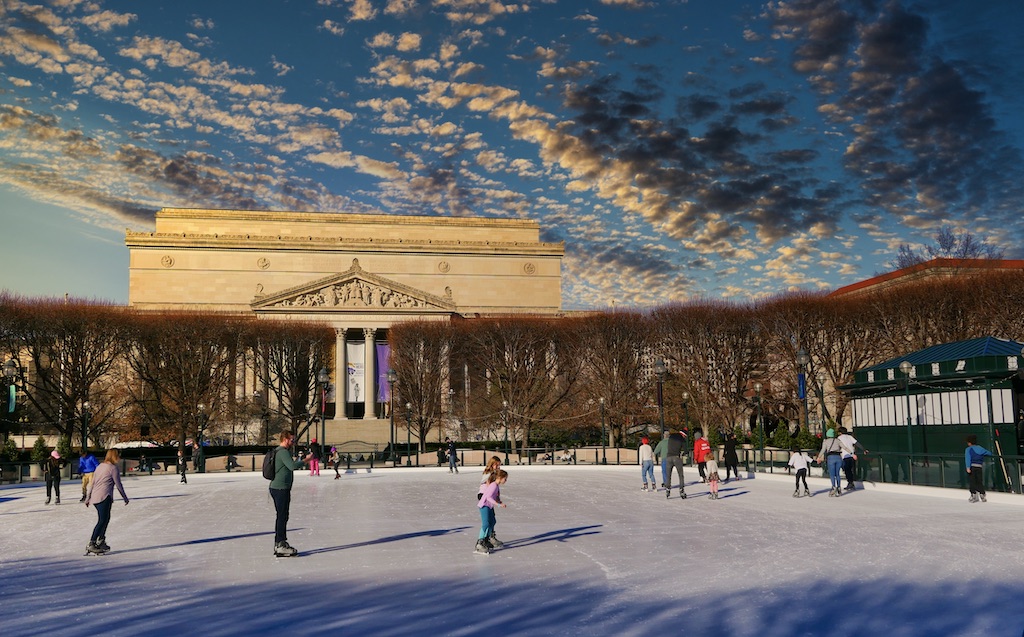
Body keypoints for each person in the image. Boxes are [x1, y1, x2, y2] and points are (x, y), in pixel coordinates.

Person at [269, 431, 311, 556]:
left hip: (280, 488)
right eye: (292, 440)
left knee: (283, 515)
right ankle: (280, 544)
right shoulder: (282, 452)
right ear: (286, 439)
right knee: (282, 516)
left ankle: (280, 543)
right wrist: (306, 460)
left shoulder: (279, 451)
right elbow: (292, 466)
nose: (294, 443)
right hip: (280, 488)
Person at [84, 449, 129, 554]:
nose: (120, 458)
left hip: (95, 497)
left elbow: (92, 483)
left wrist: (88, 497)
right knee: (102, 520)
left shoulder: (100, 466)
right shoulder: (113, 468)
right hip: (104, 497)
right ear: (114, 456)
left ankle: (100, 540)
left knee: (105, 519)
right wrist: (125, 497)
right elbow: (118, 485)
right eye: (119, 456)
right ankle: (92, 542)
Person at [475, 469, 508, 555]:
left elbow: (494, 496)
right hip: (484, 505)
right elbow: (488, 497)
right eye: (505, 478)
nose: (506, 480)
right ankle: (479, 543)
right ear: (500, 478)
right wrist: (498, 504)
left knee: (492, 522)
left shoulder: (496, 486)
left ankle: (486, 540)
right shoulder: (493, 485)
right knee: (486, 524)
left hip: (489, 505)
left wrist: (498, 500)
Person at [815, 428, 844, 497]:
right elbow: (844, 447)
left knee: (832, 474)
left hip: (831, 457)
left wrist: (819, 457)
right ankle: (839, 487)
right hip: (838, 457)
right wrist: (852, 453)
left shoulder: (826, 441)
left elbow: (823, 450)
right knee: (837, 474)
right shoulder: (838, 440)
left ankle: (833, 487)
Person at [837, 427, 868, 491]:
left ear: (840, 432)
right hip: (853, 455)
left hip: (845, 455)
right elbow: (857, 443)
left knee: (847, 470)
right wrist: (864, 449)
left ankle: (850, 482)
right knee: (851, 469)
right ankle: (852, 481)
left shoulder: (839, 438)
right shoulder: (850, 437)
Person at [965, 435, 993, 503]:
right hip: (979, 467)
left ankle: (973, 494)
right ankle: (982, 493)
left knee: (972, 481)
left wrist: (968, 467)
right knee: (979, 481)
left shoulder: (968, 449)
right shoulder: (980, 448)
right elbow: (989, 453)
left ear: (969, 443)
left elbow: (968, 458)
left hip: (972, 467)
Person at [661, 429, 688, 500]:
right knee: (680, 475)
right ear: (684, 435)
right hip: (676, 457)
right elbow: (686, 451)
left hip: (668, 457)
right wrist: (683, 453)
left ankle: (668, 489)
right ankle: (681, 490)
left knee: (668, 475)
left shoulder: (671, 437)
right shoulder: (682, 439)